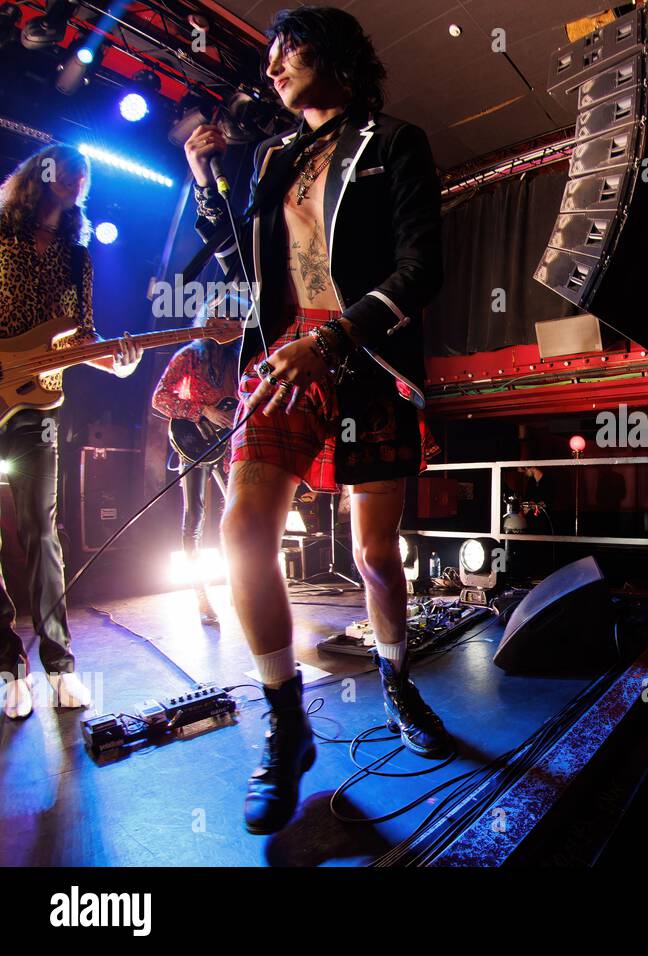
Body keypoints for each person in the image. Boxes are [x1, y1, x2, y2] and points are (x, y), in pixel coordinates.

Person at [182, 5, 445, 833]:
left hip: (361, 357)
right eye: (268, 58)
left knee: (373, 555)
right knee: (240, 530)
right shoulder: (271, 158)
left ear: (332, 56)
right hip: (283, 357)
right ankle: (287, 721)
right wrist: (206, 184)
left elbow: (421, 268)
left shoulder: (395, 143)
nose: (271, 70)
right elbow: (242, 266)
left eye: (285, 52)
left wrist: (335, 335)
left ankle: (398, 680)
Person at [0, 143, 143, 720]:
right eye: (69, 167)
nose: (80, 177)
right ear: (42, 174)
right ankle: (10, 667)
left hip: (39, 408)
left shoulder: (76, 257)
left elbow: (81, 337)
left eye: (86, 173)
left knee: (44, 533)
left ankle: (60, 666)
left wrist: (119, 361)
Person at [151, 333, 240, 625]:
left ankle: (241, 589)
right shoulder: (190, 355)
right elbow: (160, 397)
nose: (229, 326)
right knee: (195, 515)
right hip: (194, 439)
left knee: (238, 515)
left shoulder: (239, 358)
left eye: (235, 320)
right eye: (222, 320)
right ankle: (200, 594)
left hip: (231, 442)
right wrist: (203, 412)